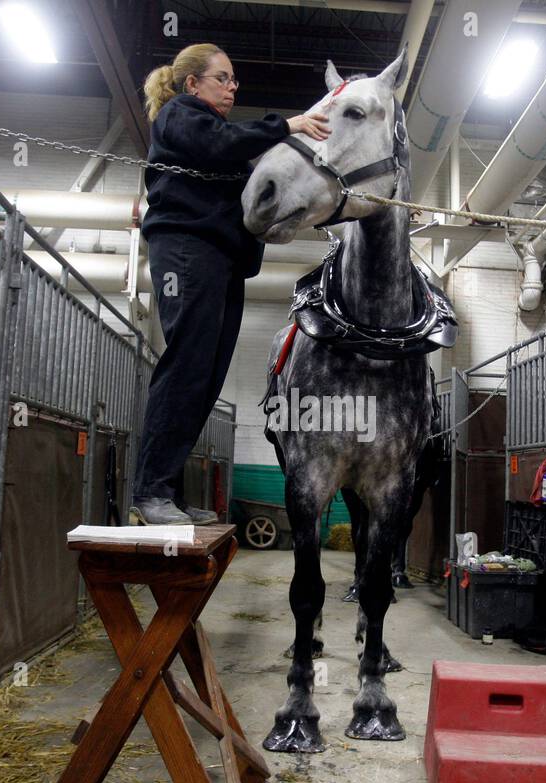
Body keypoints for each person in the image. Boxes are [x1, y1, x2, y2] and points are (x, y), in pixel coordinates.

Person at [131, 44, 330, 525]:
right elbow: (222, 143)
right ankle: (150, 491)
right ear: (192, 84)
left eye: (234, 79)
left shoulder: (214, 138)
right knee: (185, 367)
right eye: (223, 77)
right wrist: (290, 123)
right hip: (186, 249)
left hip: (221, 260)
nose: (232, 86)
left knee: (205, 377)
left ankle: (168, 496)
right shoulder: (181, 116)